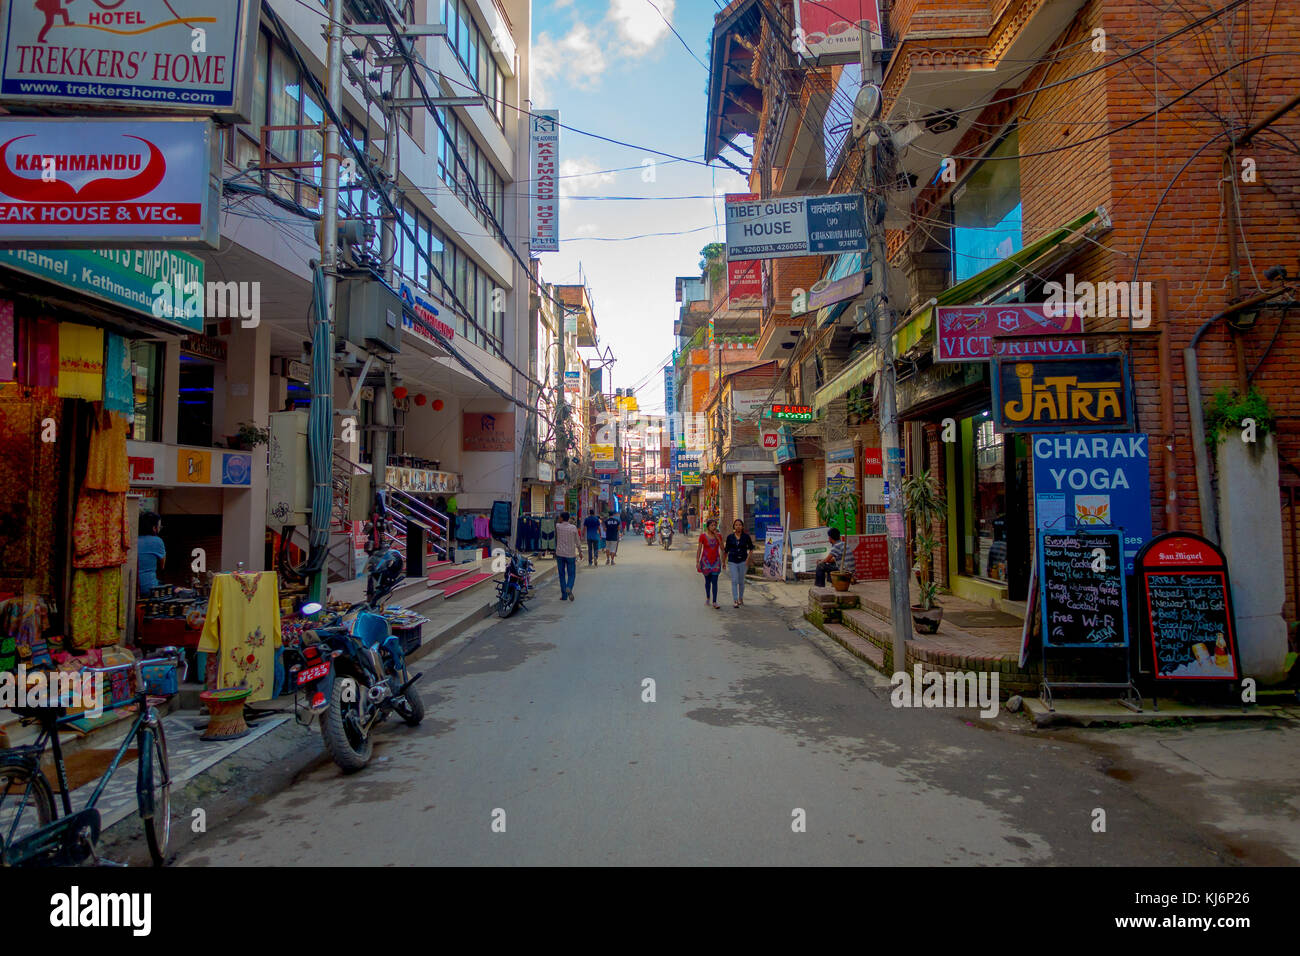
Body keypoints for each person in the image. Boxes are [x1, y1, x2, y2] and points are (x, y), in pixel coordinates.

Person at [724, 518, 755, 607]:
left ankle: (741, 597)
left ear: (742, 527)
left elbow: (751, 548)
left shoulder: (746, 537)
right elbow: (726, 551)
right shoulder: (730, 537)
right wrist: (723, 562)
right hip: (732, 561)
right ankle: (735, 600)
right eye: (736, 525)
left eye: (740, 525)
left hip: (743, 561)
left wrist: (748, 559)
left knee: (741, 581)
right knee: (734, 581)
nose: (738, 526)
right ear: (734, 526)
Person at [137, 511, 166, 595]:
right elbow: (162, 566)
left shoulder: (133, 539)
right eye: (159, 527)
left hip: (132, 586)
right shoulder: (157, 541)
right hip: (149, 587)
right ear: (154, 528)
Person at [696, 518, 723, 608]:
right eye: (712, 525)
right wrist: (697, 561)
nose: (714, 527)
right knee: (707, 581)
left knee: (715, 581)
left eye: (715, 525)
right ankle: (708, 597)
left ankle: (714, 601)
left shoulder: (719, 536)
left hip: (716, 561)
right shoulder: (703, 536)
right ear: (708, 527)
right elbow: (699, 549)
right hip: (705, 561)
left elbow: (723, 548)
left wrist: (717, 537)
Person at [554, 511, 579, 601]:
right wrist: (580, 551)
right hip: (570, 554)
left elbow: (556, 522)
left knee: (561, 574)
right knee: (571, 574)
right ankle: (569, 587)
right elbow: (577, 541)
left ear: (561, 518)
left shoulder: (558, 526)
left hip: (560, 554)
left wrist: (559, 519)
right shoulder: (573, 528)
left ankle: (564, 595)